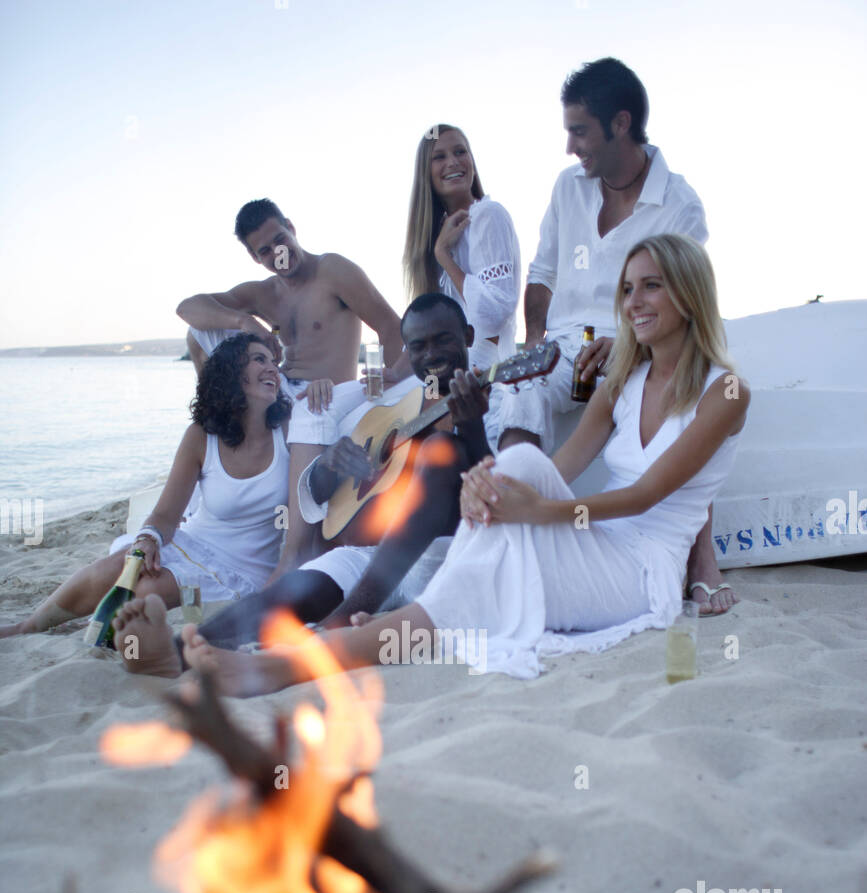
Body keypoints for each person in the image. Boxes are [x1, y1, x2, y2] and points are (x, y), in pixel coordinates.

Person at [169, 234, 750, 695]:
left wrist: (531, 502)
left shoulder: (726, 394)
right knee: (515, 466)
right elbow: (560, 466)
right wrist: (487, 487)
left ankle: (295, 663)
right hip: (583, 539)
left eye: (652, 286)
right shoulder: (623, 380)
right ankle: (256, 654)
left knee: (487, 530)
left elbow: (647, 495)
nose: (634, 302)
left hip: (641, 570)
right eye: (627, 289)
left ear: (689, 293)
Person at [112, 294, 493, 675]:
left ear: (469, 335)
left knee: (445, 449)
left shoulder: (501, 394)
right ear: (405, 352)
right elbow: (311, 493)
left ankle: (336, 626)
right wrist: (330, 465)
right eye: (418, 346)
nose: (431, 355)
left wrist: (473, 426)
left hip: (439, 558)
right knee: (290, 592)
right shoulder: (394, 401)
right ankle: (177, 649)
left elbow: (501, 497)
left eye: (442, 340)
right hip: (365, 553)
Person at [492, 57, 734, 616]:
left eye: (579, 130)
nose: (570, 146)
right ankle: (518, 517)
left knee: (690, 381)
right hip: (562, 343)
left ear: (620, 123)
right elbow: (544, 273)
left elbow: (683, 299)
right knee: (520, 390)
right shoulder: (567, 187)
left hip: (640, 340)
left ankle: (702, 559)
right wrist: (534, 341)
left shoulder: (679, 203)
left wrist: (627, 343)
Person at [0, 335, 291, 641]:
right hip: (192, 544)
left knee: (151, 587)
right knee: (128, 560)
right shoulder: (202, 436)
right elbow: (166, 514)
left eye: (274, 362)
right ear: (232, 372)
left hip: (245, 573)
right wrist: (148, 539)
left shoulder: (289, 432)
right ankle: (28, 626)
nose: (273, 368)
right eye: (260, 359)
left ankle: (100, 629)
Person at [176, 198, 406, 566]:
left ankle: (298, 548)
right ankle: (221, 430)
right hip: (282, 386)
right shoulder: (264, 293)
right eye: (265, 251)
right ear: (255, 258)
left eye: (280, 239)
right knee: (197, 335)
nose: (277, 254)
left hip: (332, 392)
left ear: (291, 227)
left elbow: (391, 326)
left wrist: (386, 397)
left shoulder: (333, 271)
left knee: (311, 413)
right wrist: (243, 322)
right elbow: (188, 308)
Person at [403, 124, 521, 373]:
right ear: (426, 172)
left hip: (485, 370)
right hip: (445, 368)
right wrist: (394, 373)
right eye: (439, 156)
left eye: (460, 152)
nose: (453, 162)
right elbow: (424, 334)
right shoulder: (434, 236)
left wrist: (444, 256)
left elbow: (492, 317)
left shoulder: (488, 215)